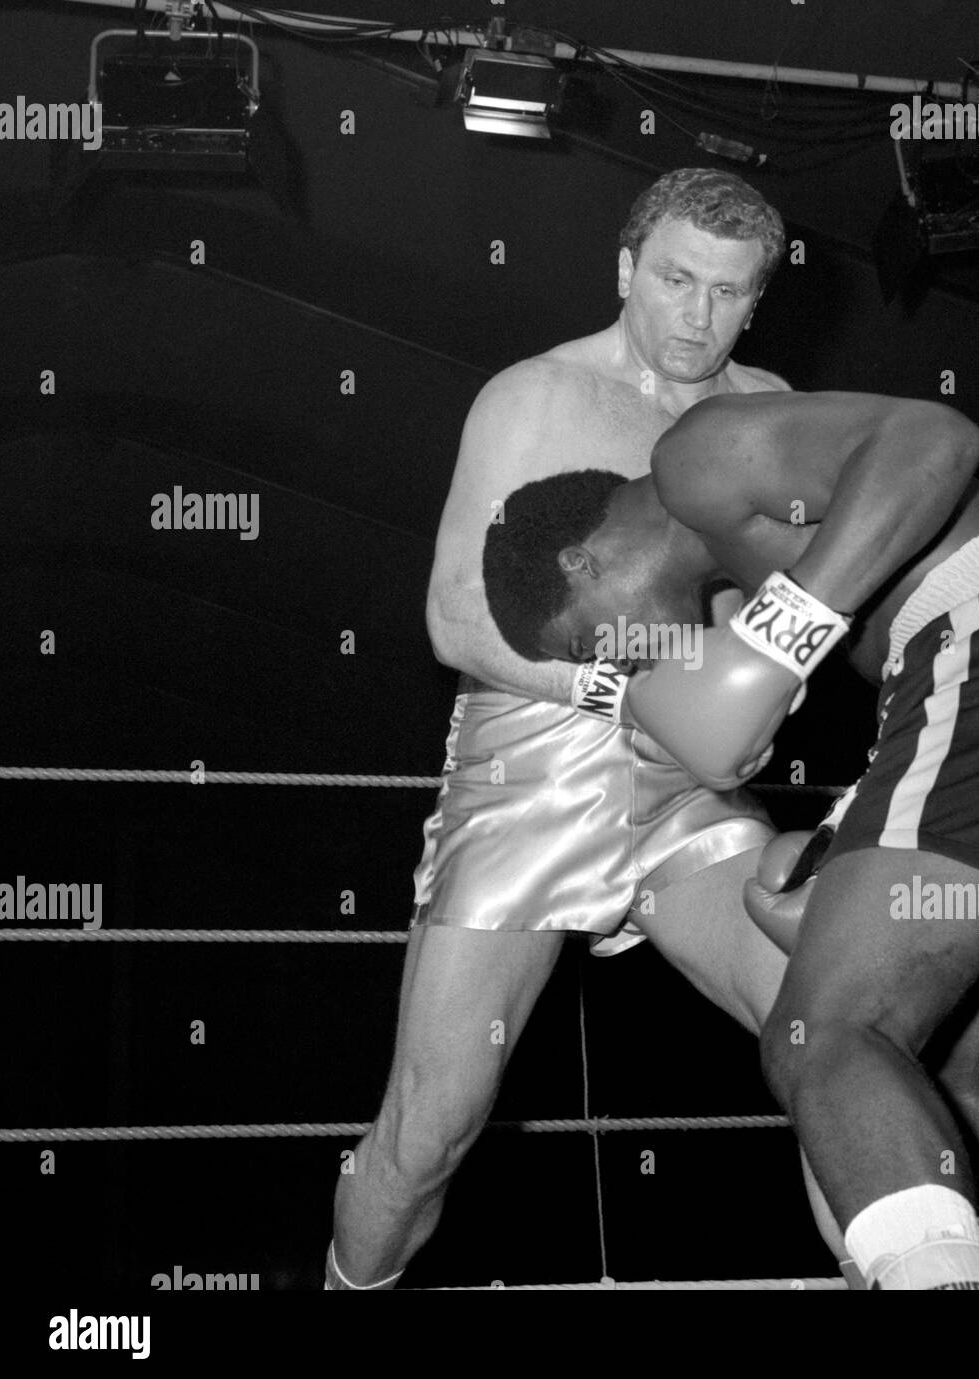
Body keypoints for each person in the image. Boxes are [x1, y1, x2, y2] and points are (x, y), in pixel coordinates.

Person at [482, 388, 979, 1290]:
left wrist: (779, 640)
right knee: (941, 1057)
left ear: (581, 560)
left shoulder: (692, 461)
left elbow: (932, 437)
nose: (618, 660)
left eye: (590, 640)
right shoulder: (744, 576)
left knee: (818, 1031)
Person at [328, 168, 859, 1291]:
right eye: (674, 280)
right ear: (625, 269)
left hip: (684, 791)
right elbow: (456, 619)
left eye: (726, 291)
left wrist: (759, 703)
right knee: (430, 1131)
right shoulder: (532, 397)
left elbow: (781, 613)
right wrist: (657, 687)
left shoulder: (767, 409)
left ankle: (915, 1271)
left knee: (840, 1031)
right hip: (534, 766)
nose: (696, 315)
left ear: (758, 299)